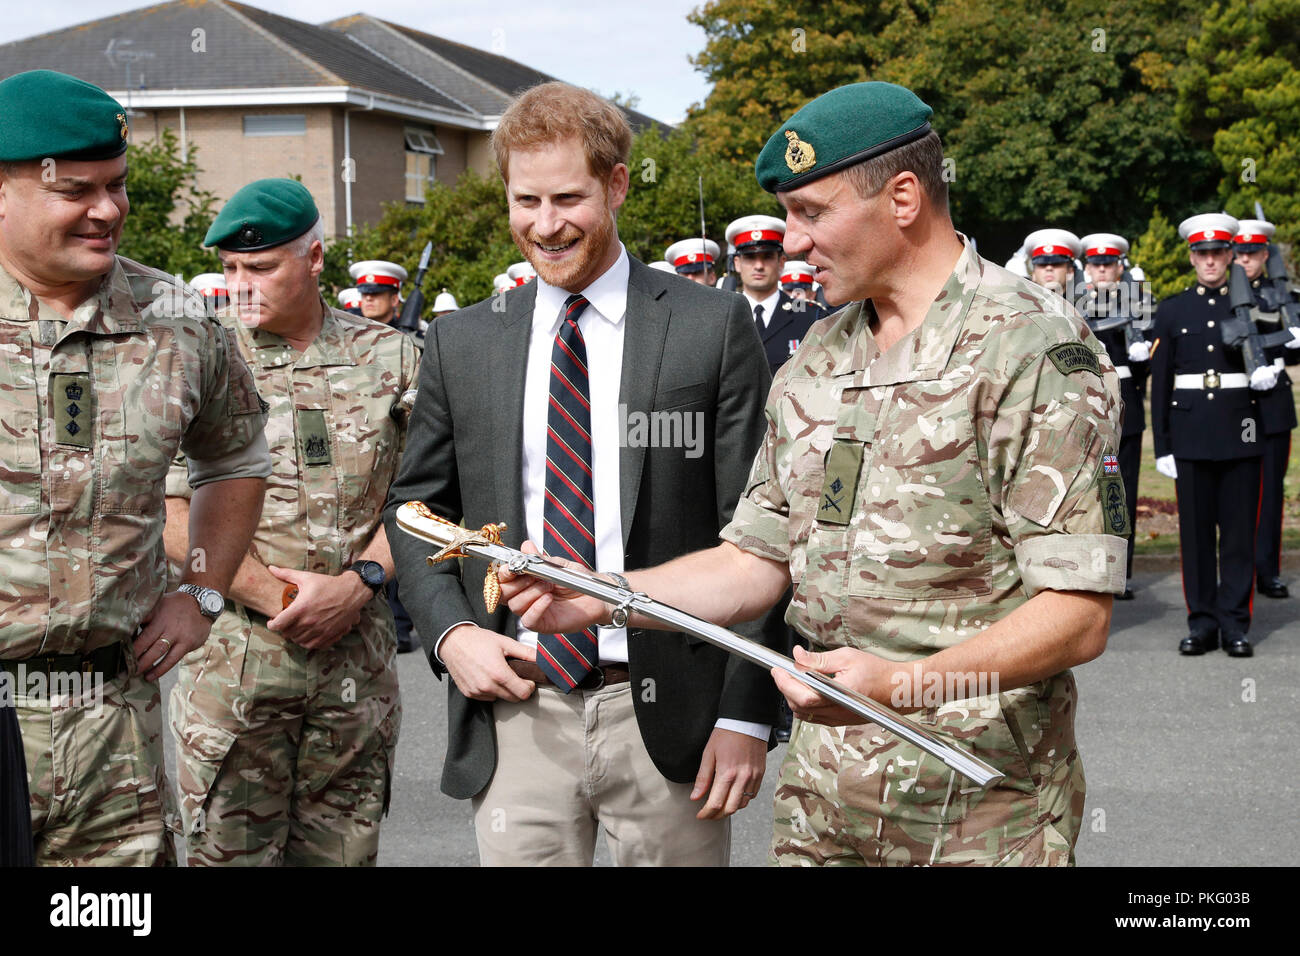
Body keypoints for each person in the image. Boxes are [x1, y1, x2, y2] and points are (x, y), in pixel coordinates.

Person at [502, 81, 1127, 867]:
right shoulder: (817, 359)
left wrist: (903, 687)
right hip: (823, 815)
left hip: (977, 815)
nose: (789, 242)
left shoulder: (1032, 350)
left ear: (903, 197)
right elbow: (751, 564)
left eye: (812, 213)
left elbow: (1078, 612)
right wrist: (598, 595)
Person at [383, 81, 784, 867]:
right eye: (524, 200)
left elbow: (762, 525)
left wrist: (745, 714)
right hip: (515, 710)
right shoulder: (463, 341)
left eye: (568, 197)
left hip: (671, 718)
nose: (545, 223)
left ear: (618, 185)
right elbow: (416, 507)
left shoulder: (710, 326)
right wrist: (452, 634)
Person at [0, 69, 270, 865]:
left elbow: (237, 457)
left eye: (116, 186)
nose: (109, 210)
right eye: (76, 190)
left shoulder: (179, 320)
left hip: (112, 724)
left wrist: (203, 590)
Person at [166, 179, 417, 865]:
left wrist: (361, 582)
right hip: (235, 676)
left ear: (313, 258)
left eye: (262, 266)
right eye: (230, 269)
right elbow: (169, 511)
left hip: (353, 677)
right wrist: (278, 598)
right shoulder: (202, 358)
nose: (241, 286)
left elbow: (427, 501)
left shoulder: (393, 359)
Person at [1151, 213, 1265, 657]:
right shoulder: (1174, 309)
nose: (1211, 261)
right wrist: (1163, 445)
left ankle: (1236, 625)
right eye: (1203, 253)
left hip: (1242, 433)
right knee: (1196, 540)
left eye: (1219, 252)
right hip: (1191, 437)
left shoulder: (1254, 305)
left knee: (1238, 538)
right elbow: (1160, 385)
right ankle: (1201, 624)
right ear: (1192, 258)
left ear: (1231, 255)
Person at [1078, 233, 1151, 598]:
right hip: (1089, 412)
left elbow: (1151, 358)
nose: (1102, 269)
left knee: (1122, 492)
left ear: (1121, 266)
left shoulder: (1139, 300)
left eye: (1109, 263)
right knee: (1090, 495)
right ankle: (1091, 570)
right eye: (1095, 263)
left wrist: (1144, 350)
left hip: (1126, 409)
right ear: (1087, 268)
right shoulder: (1073, 301)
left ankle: (1120, 573)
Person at [1234, 218, 1299, 599]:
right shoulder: (1225, 293)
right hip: (1239, 404)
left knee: (1271, 492)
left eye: (1252, 252)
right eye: (1239, 252)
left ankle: (1267, 570)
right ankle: (1238, 566)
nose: (1245, 259)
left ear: (1264, 254)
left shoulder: (1283, 293)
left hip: (1273, 402)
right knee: (1239, 492)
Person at [726, 213, 825, 376]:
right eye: (750, 257)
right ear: (737, 263)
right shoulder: (720, 318)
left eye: (767, 256)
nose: (758, 265)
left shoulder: (810, 316)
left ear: (781, 262)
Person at [1022, 228, 1082, 299]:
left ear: (1070, 272)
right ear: (1033, 274)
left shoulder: (1085, 308)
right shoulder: (1017, 306)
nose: (1049, 268)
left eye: (1056, 263)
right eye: (1042, 264)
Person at [349, 259, 406, 325]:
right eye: (364, 293)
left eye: (375, 293)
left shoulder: (407, 334)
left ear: (394, 300)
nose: (368, 298)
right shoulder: (349, 333)